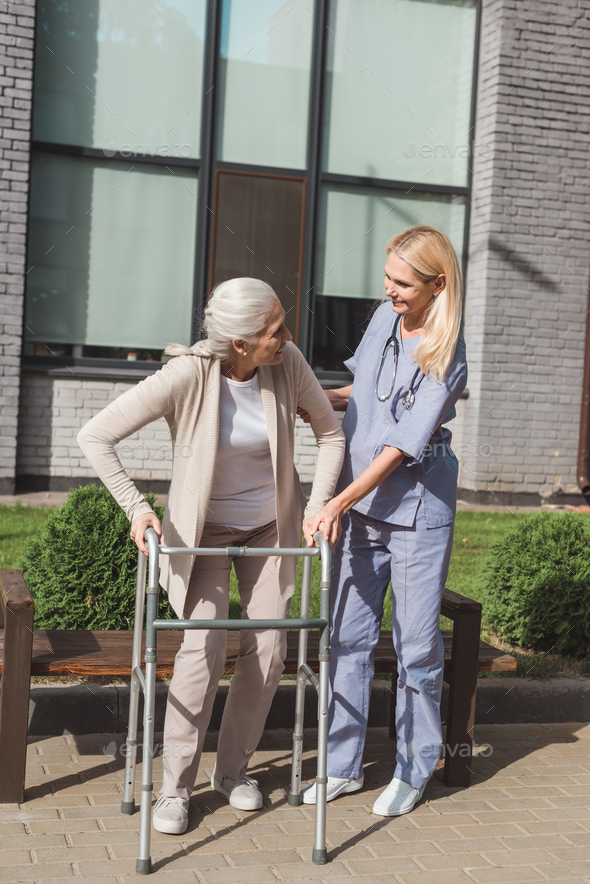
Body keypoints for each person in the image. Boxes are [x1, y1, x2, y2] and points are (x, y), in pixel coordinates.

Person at [77, 278, 345, 835]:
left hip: (271, 526)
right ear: (242, 343)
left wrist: (317, 508)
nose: (288, 336)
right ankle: (174, 787)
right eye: (275, 330)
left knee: (270, 647)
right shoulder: (187, 375)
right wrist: (136, 507)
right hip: (203, 532)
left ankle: (232, 772)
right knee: (203, 648)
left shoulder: (286, 362)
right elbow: (96, 436)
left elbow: (330, 433)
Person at [301, 226, 468, 817]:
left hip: (416, 509)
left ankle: (414, 767)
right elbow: (365, 395)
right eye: (387, 278)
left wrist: (336, 502)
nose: (389, 290)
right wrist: (315, 397)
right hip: (358, 504)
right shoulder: (383, 319)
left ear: (436, 284)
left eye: (402, 282)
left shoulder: (447, 353)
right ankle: (342, 767)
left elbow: (400, 445)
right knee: (346, 637)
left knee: (416, 647)